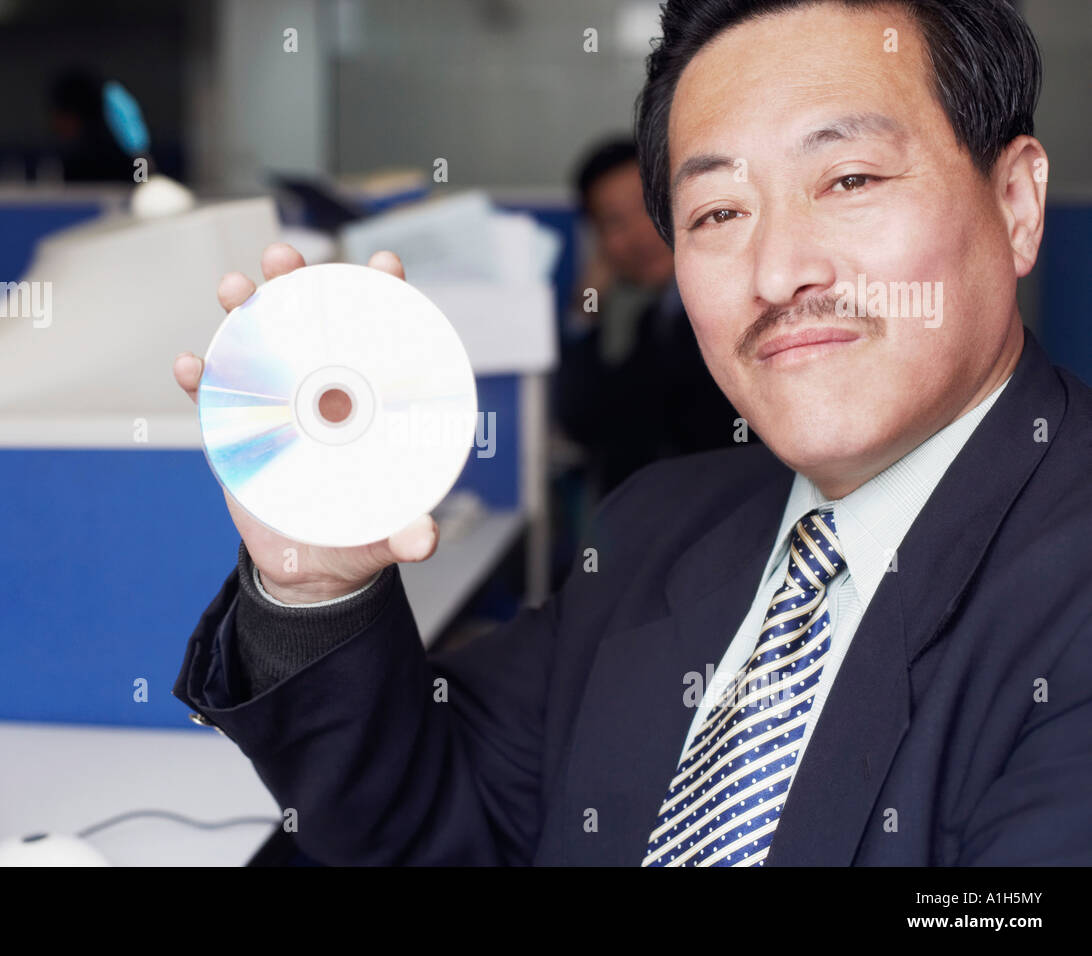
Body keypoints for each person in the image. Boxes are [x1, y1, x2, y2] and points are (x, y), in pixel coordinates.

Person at [169, 0, 1091, 865]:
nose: (777, 273)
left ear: (1015, 202)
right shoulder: (657, 526)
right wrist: (317, 589)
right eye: (719, 212)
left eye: (848, 179)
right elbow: (427, 820)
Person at [555, 137, 745, 499]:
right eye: (613, 222)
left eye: (646, 206)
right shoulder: (655, 322)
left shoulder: (729, 310)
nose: (640, 235)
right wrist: (586, 308)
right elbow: (587, 420)